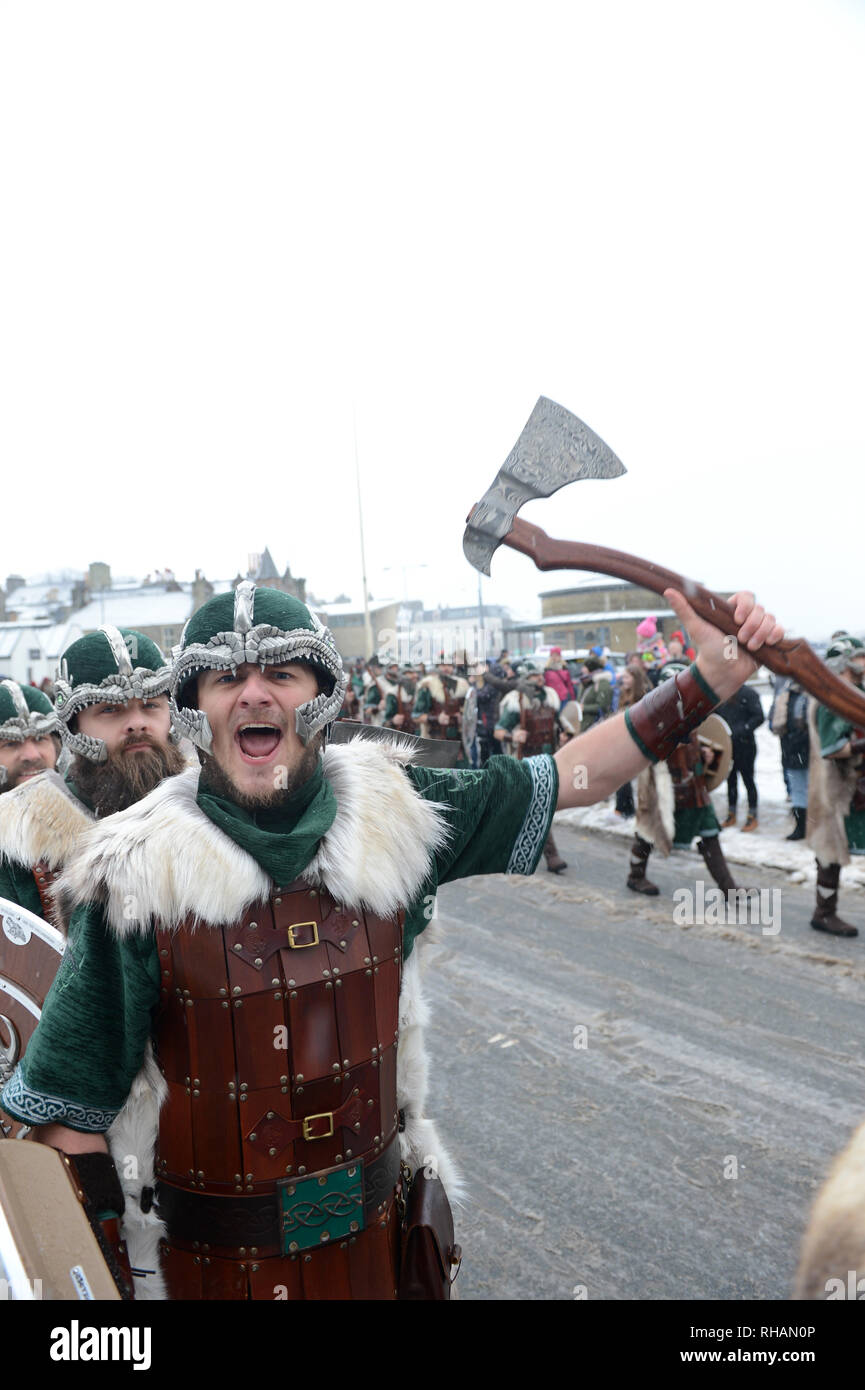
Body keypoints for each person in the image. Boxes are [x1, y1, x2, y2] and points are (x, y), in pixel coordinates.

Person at [0, 581, 781, 1300]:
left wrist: (705, 680)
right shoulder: (133, 872)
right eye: (226, 677)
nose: (254, 692)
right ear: (196, 707)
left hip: (375, 1257)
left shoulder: (399, 815)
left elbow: (567, 776)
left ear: (322, 695)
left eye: (282, 671)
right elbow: (69, 1120)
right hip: (204, 1275)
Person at [625, 660, 741, 896]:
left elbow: (688, 746)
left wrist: (703, 753)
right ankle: (635, 876)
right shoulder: (655, 716)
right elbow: (656, 751)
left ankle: (729, 887)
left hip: (694, 786)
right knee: (648, 832)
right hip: (667, 786)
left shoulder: (690, 710)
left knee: (710, 833)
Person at [804, 635, 865, 937]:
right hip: (837, 787)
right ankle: (824, 913)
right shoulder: (833, 698)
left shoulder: (853, 692)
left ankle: (824, 911)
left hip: (853, 785)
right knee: (830, 851)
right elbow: (833, 747)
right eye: (860, 657)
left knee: (833, 852)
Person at [495, 665, 568, 872]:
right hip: (527, 762)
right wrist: (513, 736)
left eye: (540, 675)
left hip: (549, 759)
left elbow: (559, 723)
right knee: (539, 806)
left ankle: (508, 845)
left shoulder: (550, 697)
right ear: (526, 678)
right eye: (534, 675)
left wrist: (563, 735)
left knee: (529, 807)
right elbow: (498, 731)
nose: (539, 679)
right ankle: (551, 856)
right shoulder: (516, 702)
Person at [716, 681, 765, 831]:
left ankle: (752, 816)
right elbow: (714, 717)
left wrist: (742, 730)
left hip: (745, 745)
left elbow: (759, 716)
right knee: (730, 780)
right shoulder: (721, 693)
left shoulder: (748, 693)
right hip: (726, 746)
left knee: (748, 780)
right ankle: (731, 814)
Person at [770, 677, 810, 839]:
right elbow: (775, 723)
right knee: (798, 791)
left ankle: (811, 828)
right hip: (791, 749)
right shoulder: (785, 695)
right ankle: (801, 828)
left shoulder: (811, 696)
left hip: (806, 749)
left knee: (810, 790)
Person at [613, 665, 650, 818]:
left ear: (636, 679)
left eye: (627, 677)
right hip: (624, 737)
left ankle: (631, 808)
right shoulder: (623, 693)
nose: (623, 679)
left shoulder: (643, 695)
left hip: (638, 738)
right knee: (621, 773)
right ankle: (624, 807)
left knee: (639, 775)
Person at [579, 656, 613, 732]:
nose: (582, 669)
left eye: (584, 667)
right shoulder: (587, 681)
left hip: (594, 725)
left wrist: (584, 708)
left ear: (591, 668)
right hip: (585, 724)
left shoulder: (602, 683)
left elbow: (603, 707)